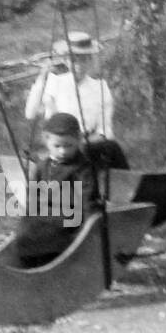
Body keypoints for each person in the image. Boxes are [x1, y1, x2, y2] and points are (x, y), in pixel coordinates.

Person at [24, 31, 128, 170]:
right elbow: (30, 114)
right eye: (74, 59)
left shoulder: (100, 87)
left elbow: (105, 130)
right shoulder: (54, 82)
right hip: (59, 143)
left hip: (88, 143)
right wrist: (42, 77)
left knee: (111, 148)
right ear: (66, 60)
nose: (79, 64)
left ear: (90, 60)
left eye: (84, 59)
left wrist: (89, 141)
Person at [13, 113, 100, 268]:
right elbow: (33, 193)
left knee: (48, 233)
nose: (63, 151)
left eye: (68, 146)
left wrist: (87, 229)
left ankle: (52, 264)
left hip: (71, 215)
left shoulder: (82, 167)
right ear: (47, 141)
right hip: (46, 213)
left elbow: (88, 198)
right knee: (25, 231)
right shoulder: (43, 166)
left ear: (78, 140)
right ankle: (30, 265)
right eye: (57, 146)